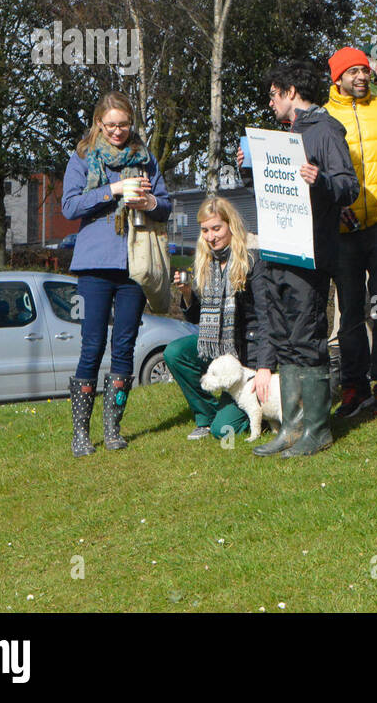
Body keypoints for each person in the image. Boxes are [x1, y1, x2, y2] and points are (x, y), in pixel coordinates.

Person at [240, 61, 360, 456]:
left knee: (307, 338)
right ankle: (292, 427)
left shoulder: (325, 131)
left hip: (309, 253)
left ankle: (317, 429)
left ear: (291, 91)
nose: (270, 102)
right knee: (286, 339)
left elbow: (348, 187)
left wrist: (321, 179)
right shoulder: (286, 135)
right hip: (279, 250)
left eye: (273, 94)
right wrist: (249, 171)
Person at [60, 92, 172, 457]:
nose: (118, 132)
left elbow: (167, 205)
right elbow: (69, 206)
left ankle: (113, 429)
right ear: (98, 124)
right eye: (111, 126)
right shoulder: (81, 157)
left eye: (124, 125)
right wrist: (113, 190)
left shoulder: (145, 158)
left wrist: (150, 202)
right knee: (91, 346)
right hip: (94, 265)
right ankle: (80, 434)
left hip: (134, 264)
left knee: (124, 347)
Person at [324, 46, 377, 418]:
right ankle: (353, 387)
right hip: (343, 233)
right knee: (350, 314)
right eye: (353, 72)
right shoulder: (322, 119)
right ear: (338, 79)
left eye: (364, 70)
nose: (362, 76)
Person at [166, 198, 277, 440]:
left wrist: (264, 367)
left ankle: (258, 415)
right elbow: (201, 318)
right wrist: (187, 294)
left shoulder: (252, 259)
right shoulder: (208, 262)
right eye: (205, 230)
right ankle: (205, 415)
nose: (210, 236)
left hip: (248, 355)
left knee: (222, 431)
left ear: (230, 226)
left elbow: (267, 318)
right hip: (219, 350)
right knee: (175, 353)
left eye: (217, 228)